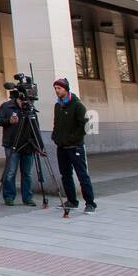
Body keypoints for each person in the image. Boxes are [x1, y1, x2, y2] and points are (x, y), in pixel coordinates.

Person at [52, 78, 96, 212]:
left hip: (75, 147)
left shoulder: (77, 105)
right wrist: (55, 136)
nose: (57, 91)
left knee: (82, 175)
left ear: (65, 89)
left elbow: (86, 126)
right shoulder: (57, 105)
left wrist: (72, 139)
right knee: (65, 175)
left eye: (59, 88)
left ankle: (90, 203)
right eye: (55, 88)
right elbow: (56, 123)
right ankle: (71, 201)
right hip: (62, 147)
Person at [0, 91, 36, 206]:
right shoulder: (7, 106)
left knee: (27, 173)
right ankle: (9, 197)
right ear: (18, 98)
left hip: (27, 145)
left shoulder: (30, 108)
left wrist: (38, 146)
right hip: (11, 143)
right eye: (23, 100)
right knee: (10, 172)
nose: (25, 103)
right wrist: (9, 121)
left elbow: (35, 125)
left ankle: (27, 197)